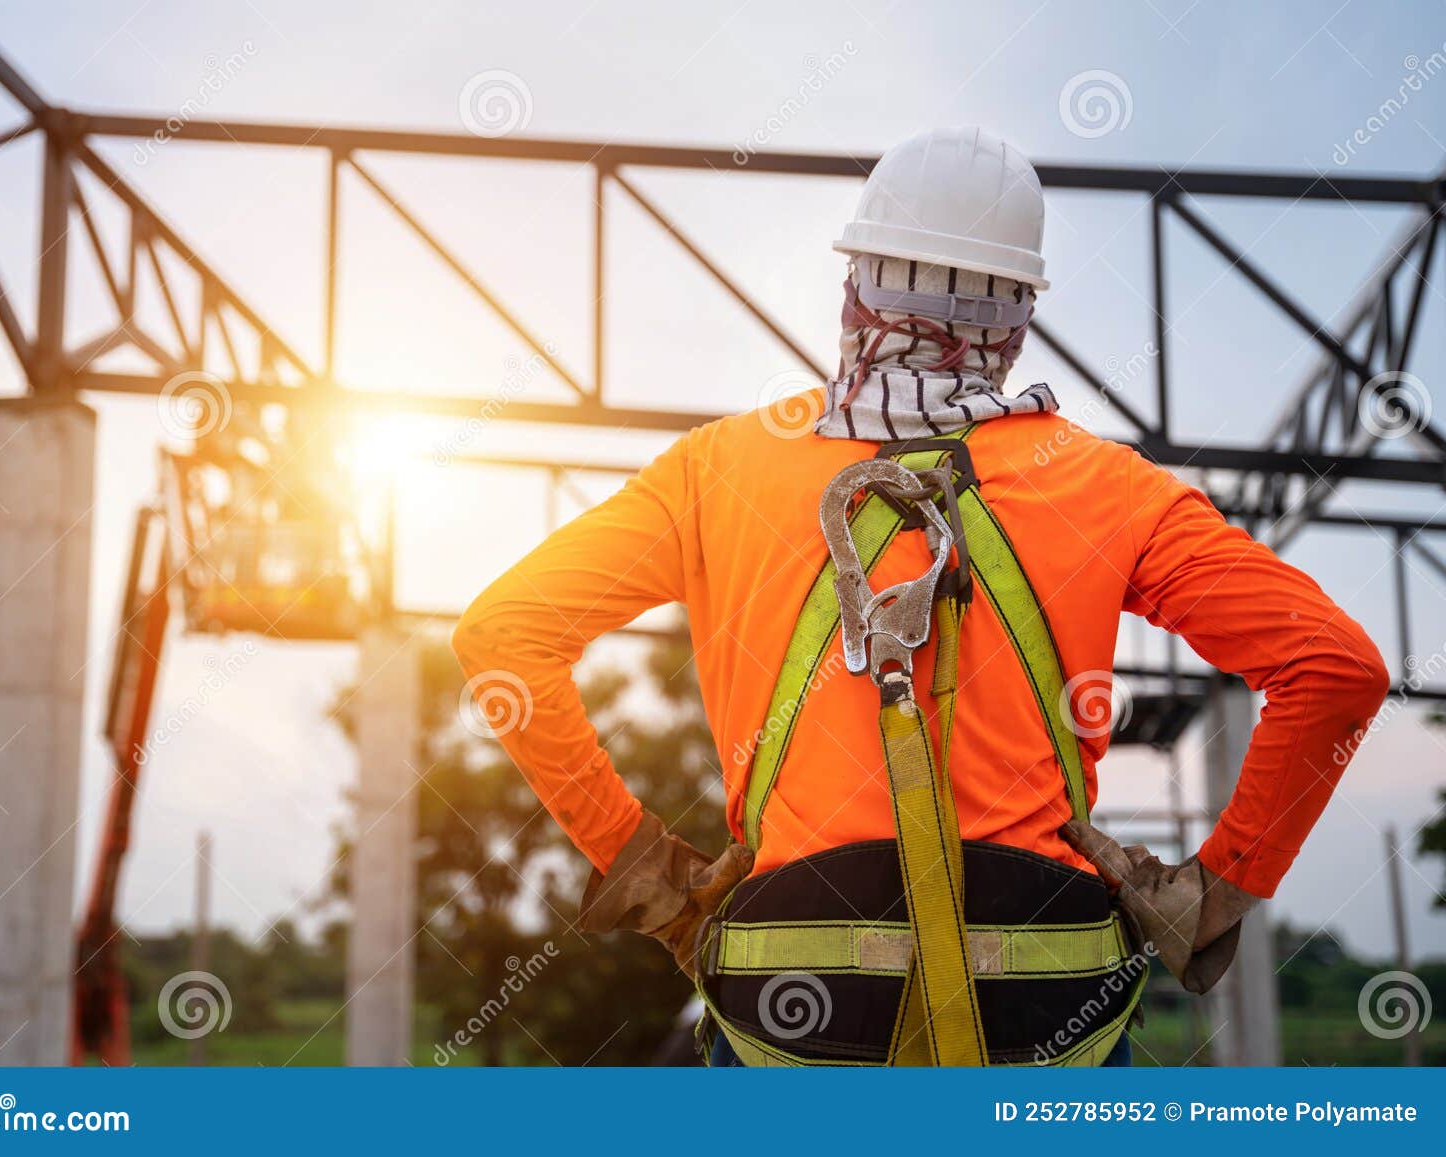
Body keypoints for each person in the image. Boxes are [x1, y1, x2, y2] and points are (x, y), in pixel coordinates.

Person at [452, 126, 1390, 1067]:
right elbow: (1337, 670)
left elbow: (503, 635)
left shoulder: (716, 472)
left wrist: (652, 873)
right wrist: (1218, 885)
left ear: (853, 288)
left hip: (801, 1001)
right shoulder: (1112, 487)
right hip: (1047, 1002)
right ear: (1019, 322)